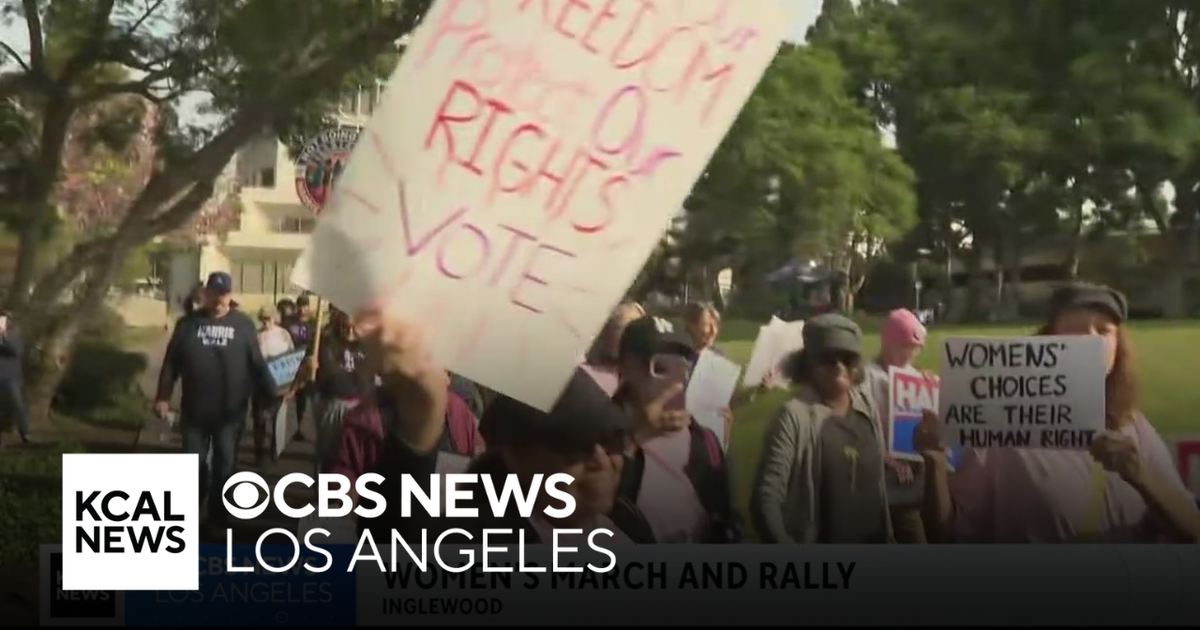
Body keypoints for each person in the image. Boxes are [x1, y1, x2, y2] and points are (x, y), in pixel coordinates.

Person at [326, 311, 652, 544]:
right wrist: (417, 432)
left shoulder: (630, 527)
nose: (601, 460)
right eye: (574, 447)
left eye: (610, 440)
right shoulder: (469, 540)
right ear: (515, 455)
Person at [913, 283, 1200, 544]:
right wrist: (935, 463)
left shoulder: (1135, 428)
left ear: (1119, 346)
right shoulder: (1001, 428)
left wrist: (1142, 477)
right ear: (1046, 343)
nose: (1091, 341)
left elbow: (1190, 532)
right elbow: (947, 533)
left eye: (1104, 331)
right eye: (1075, 330)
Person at [750, 314, 893, 544]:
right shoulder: (793, 416)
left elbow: (878, 486)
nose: (838, 366)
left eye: (847, 358)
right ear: (808, 364)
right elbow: (766, 500)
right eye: (827, 358)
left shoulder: (866, 407)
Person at [155, 271, 270, 535]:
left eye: (223, 294)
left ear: (230, 296)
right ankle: (190, 515)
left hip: (230, 414)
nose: (218, 299)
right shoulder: (187, 325)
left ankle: (218, 518)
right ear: (205, 293)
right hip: (195, 411)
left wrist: (271, 393)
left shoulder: (243, 326)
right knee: (193, 466)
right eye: (214, 293)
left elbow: (257, 365)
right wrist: (163, 396)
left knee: (224, 466)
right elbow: (172, 363)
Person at [612, 315, 741, 543]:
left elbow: (726, 514)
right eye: (660, 367)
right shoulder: (596, 436)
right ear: (626, 367)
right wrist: (635, 439)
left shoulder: (704, 440)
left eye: (684, 367)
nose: (676, 380)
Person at [863, 309, 928, 543]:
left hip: (918, 481)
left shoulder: (912, 375)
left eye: (916, 348)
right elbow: (861, 430)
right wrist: (888, 459)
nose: (911, 354)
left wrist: (931, 389)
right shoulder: (867, 378)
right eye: (906, 347)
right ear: (887, 343)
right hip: (887, 487)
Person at [304, 306, 378, 475]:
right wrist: (309, 367)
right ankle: (325, 493)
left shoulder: (369, 345)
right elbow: (309, 372)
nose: (350, 333)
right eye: (346, 328)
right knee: (330, 453)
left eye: (354, 328)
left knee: (359, 455)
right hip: (334, 403)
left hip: (362, 406)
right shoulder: (326, 343)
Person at [253, 306, 294, 467]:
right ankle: (259, 453)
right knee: (260, 420)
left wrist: (291, 384)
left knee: (278, 419)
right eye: (263, 319)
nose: (266, 322)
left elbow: (291, 356)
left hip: (280, 382)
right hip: (261, 383)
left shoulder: (284, 334)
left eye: (268, 319)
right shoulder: (257, 335)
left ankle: (274, 450)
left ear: (274, 318)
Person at [581, 302, 646, 396]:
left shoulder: (633, 390)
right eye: (620, 327)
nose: (625, 336)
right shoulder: (579, 370)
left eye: (632, 331)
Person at [286, 292, 318, 442]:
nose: (302, 309)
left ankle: (298, 427)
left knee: (302, 398)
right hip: (289, 362)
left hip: (305, 364)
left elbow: (316, 344)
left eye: (305, 306)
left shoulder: (313, 324)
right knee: (286, 395)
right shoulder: (288, 322)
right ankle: (282, 428)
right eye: (300, 306)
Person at [0, 312, 30, 446]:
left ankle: (25, 434)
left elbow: (16, 351)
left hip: (11, 378)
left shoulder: (14, 336)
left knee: (18, 406)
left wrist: (4, 336)